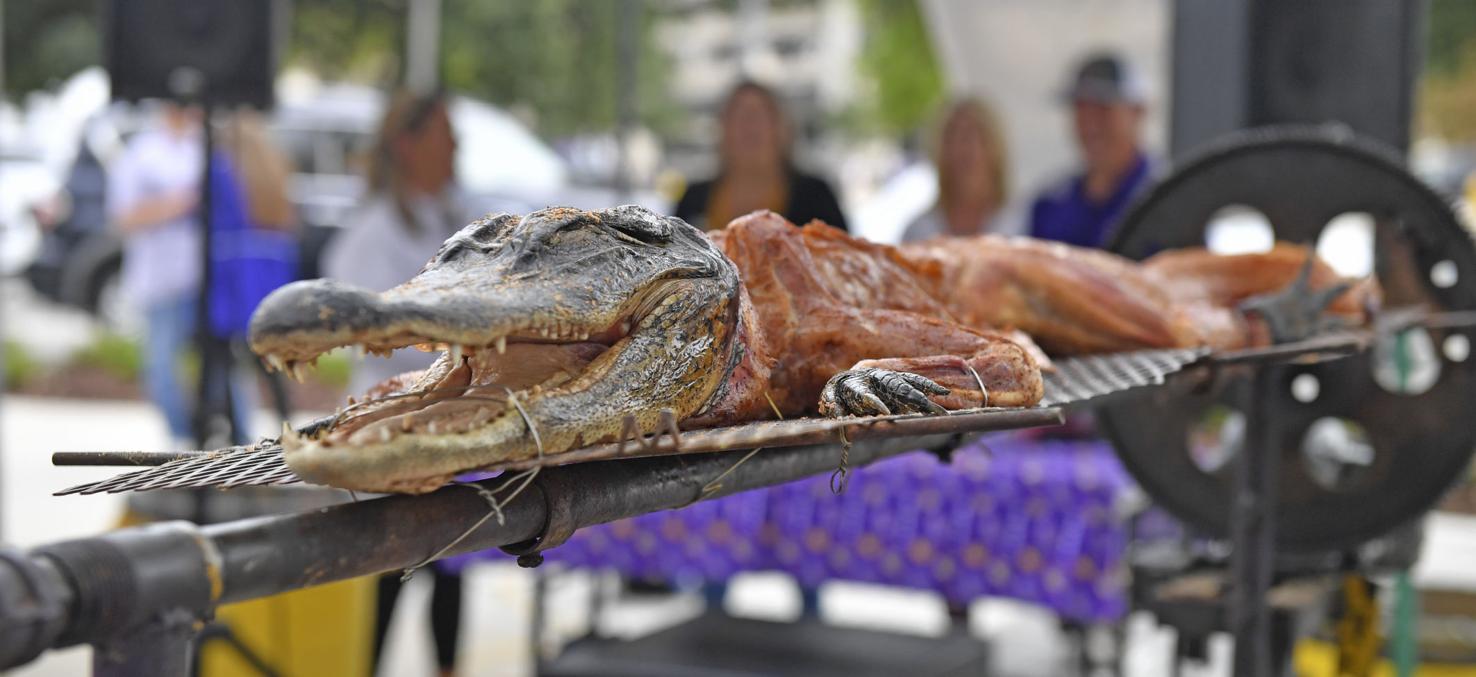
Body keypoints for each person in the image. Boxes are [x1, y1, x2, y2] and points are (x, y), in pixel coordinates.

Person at [323, 90, 467, 677]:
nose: (456, 146)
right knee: (389, 571)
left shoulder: (460, 217)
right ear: (409, 145)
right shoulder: (371, 233)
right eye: (443, 133)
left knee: (453, 563)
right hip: (390, 428)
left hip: (454, 423)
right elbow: (367, 333)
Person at [107, 102, 211, 447]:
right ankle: (180, 438)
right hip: (160, 279)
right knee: (163, 366)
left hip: (207, 279)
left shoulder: (207, 146)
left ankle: (227, 439)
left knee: (220, 366)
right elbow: (123, 217)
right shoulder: (142, 153)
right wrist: (178, 204)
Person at [674, 81, 848, 231]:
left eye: (759, 116)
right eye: (739, 116)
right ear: (722, 128)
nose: (749, 127)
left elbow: (843, 261)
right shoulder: (693, 198)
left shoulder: (815, 195)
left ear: (782, 128)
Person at [1028, 52, 1155, 248]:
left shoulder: (1165, 201)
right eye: (1081, 110)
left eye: (1103, 110)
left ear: (1137, 112)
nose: (1091, 126)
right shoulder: (1050, 206)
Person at [902, 98, 1020, 242]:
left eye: (976, 136)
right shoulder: (919, 230)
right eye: (952, 137)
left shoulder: (1024, 221)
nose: (965, 149)